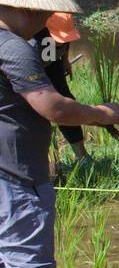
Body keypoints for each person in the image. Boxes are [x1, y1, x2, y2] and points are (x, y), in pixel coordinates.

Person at [0, 0, 119, 268]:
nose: (43, 23)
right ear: (26, 9)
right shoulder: (13, 47)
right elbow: (52, 106)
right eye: (41, 14)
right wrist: (103, 114)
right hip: (16, 174)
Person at [31, 12, 88, 162]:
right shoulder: (32, 43)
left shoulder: (63, 25)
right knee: (35, 112)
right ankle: (42, 160)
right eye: (60, 37)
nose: (63, 40)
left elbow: (66, 43)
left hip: (52, 63)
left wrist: (65, 60)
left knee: (66, 102)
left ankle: (82, 156)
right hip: (30, 72)